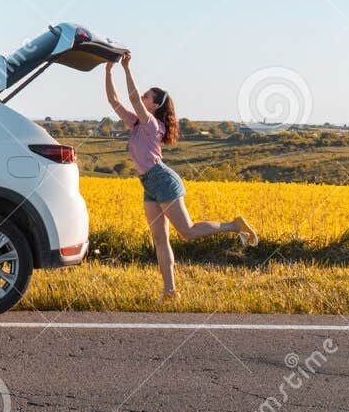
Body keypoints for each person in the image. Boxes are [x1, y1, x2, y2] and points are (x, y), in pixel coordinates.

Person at [104, 50, 257, 299]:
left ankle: (234, 225)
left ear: (154, 105)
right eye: (143, 95)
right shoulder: (136, 123)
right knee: (160, 238)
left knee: (187, 232)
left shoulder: (153, 124)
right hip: (149, 183)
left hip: (163, 180)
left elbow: (132, 98)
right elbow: (114, 100)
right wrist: (109, 70)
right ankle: (170, 291)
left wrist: (127, 68)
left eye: (147, 97)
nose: (142, 98)